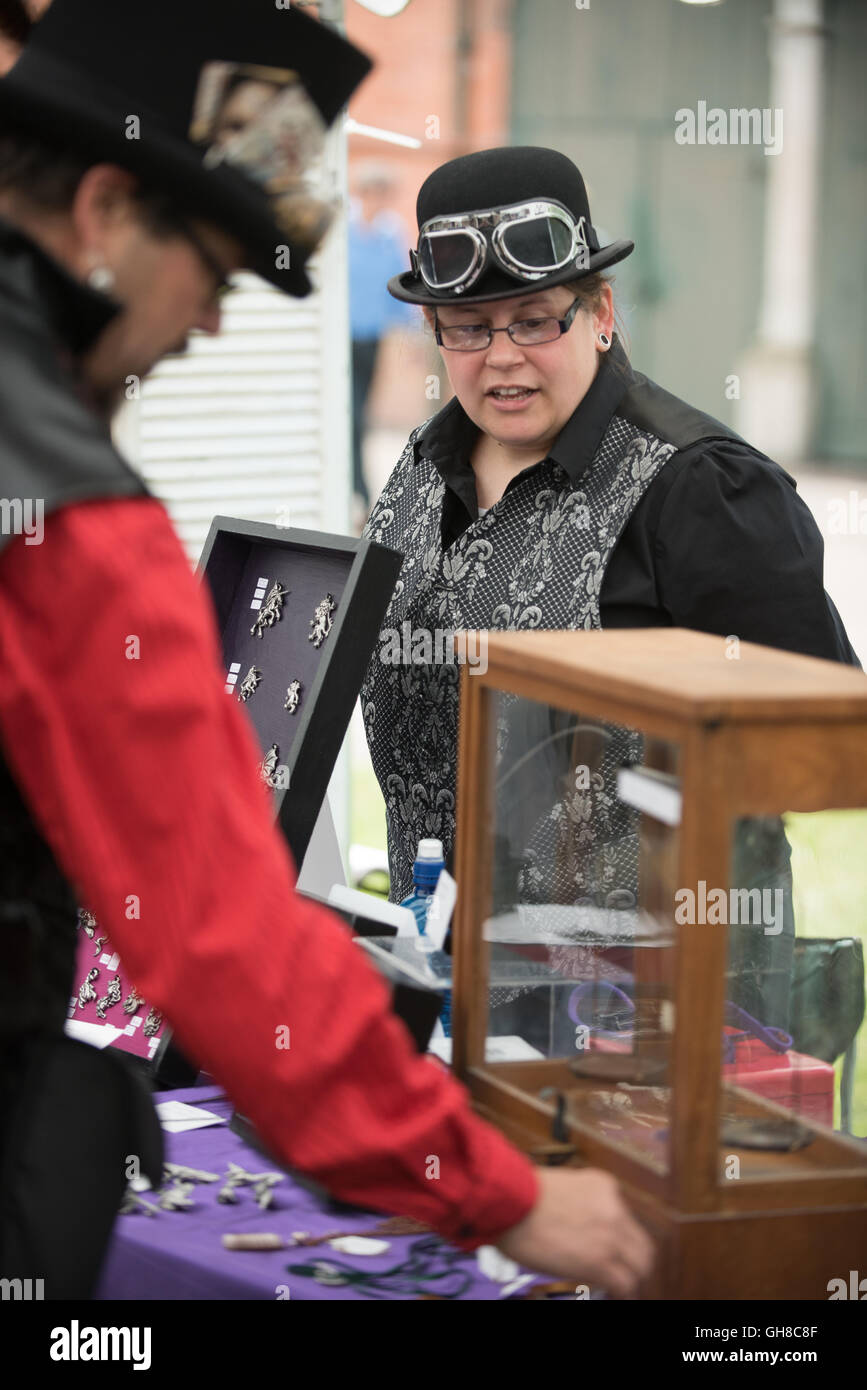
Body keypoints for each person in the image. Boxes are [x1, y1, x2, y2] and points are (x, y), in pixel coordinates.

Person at [0, 4, 652, 1298]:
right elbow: (215, 927)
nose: (204, 327)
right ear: (104, 212)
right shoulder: (64, 512)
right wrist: (494, 1194)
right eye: (213, 268)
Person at [361, 145, 860, 1035]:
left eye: (533, 322)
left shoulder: (701, 489)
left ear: (599, 313)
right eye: (468, 328)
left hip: (649, 1023)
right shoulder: (421, 461)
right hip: (444, 977)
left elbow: (815, 747)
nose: (501, 358)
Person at [348, 161, 414, 519]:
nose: (383, 201)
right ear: (365, 193)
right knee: (353, 416)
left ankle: (357, 490)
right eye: (378, 193)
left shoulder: (391, 233)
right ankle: (359, 490)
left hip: (371, 341)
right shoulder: (346, 229)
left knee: (360, 415)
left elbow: (398, 286)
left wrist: (410, 334)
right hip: (343, 340)